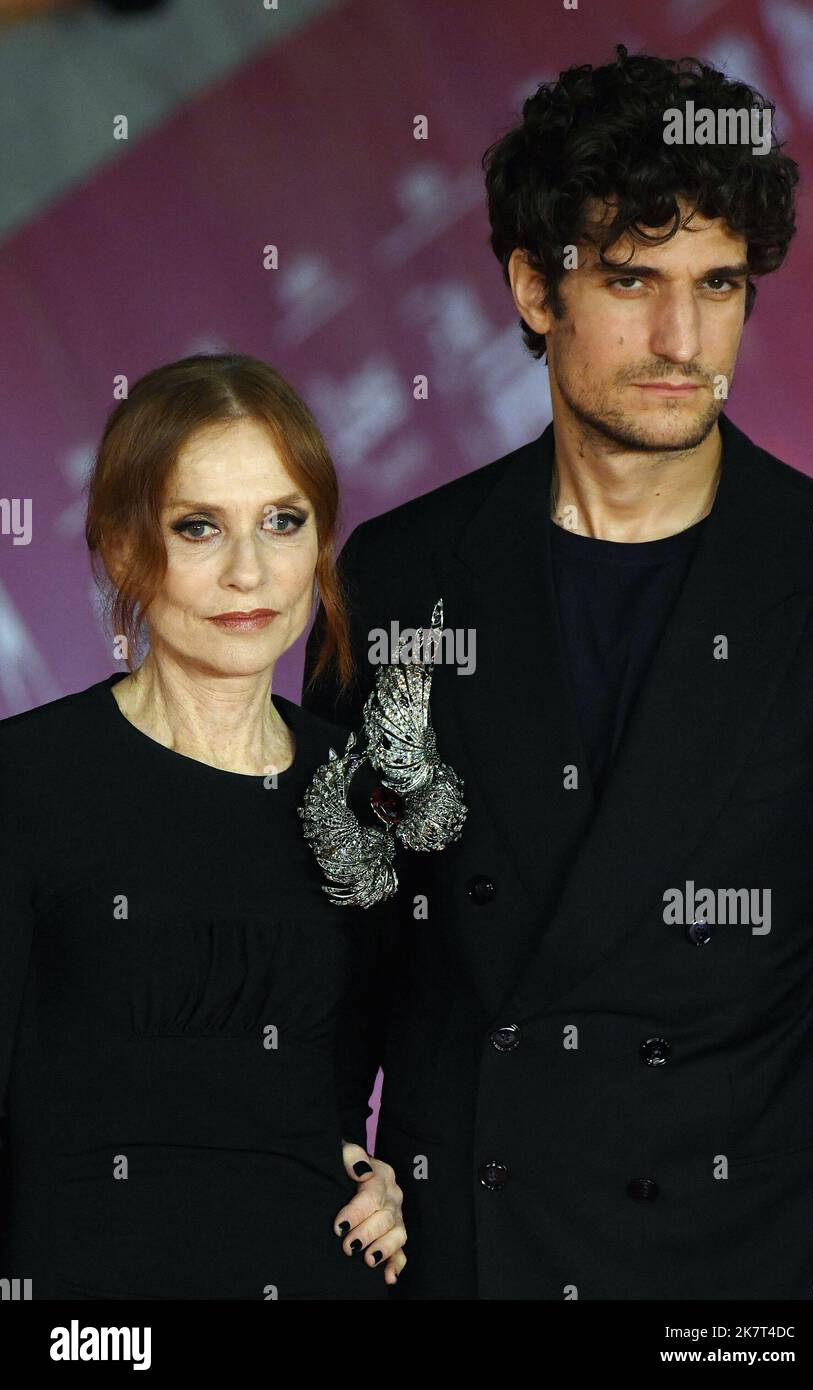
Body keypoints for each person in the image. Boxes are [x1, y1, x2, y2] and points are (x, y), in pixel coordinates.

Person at [301, 46, 813, 1299]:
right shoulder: (401, 578)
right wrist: (321, 1170)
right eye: (631, 280)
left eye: (717, 284)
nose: (680, 337)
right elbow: (337, 946)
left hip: (753, 1268)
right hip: (477, 1255)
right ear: (533, 292)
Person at [0, 353, 406, 1298]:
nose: (249, 570)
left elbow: (351, 1092)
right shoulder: (26, 785)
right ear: (122, 547)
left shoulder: (361, 794)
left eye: (282, 521)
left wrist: (385, 1181)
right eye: (198, 528)